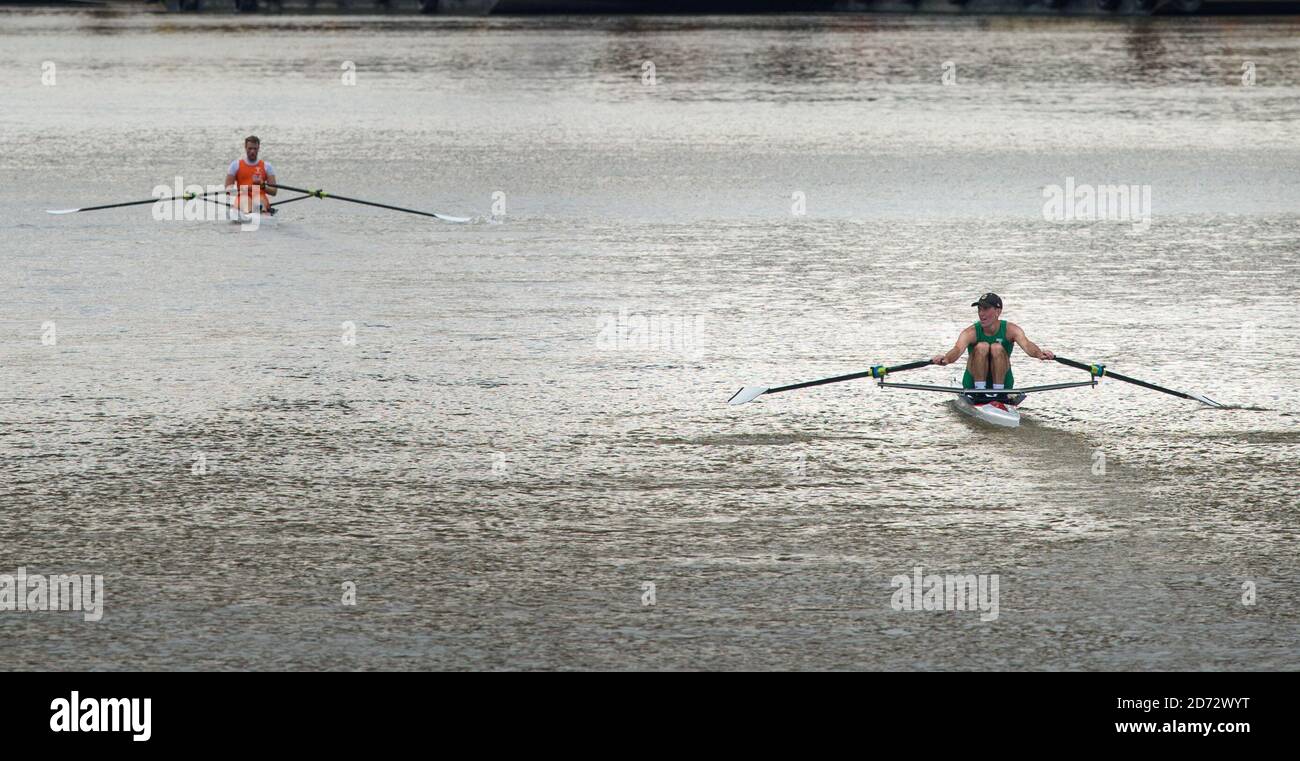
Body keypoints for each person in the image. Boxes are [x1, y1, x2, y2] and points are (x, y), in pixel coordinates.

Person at [930, 293, 1055, 398]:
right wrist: (946, 358)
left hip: (1004, 384)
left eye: (985, 309)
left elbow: (1027, 345)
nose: (981, 314)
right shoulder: (970, 332)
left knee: (996, 347)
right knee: (982, 346)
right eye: (979, 309)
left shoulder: (1011, 330)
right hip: (972, 385)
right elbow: (957, 350)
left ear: (998, 311)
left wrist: (1039, 353)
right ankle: (980, 391)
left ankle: (999, 392)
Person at [223, 135, 277, 215]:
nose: (252, 151)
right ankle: (251, 212)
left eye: (255, 149)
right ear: (245, 148)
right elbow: (227, 190)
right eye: (250, 148)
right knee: (245, 201)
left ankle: (259, 212)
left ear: (258, 148)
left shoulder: (267, 166)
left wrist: (263, 186)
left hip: (260, 197)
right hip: (242, 197)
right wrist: (245, 189)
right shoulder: (235, 165)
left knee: (259, 200)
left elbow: (274, 191)